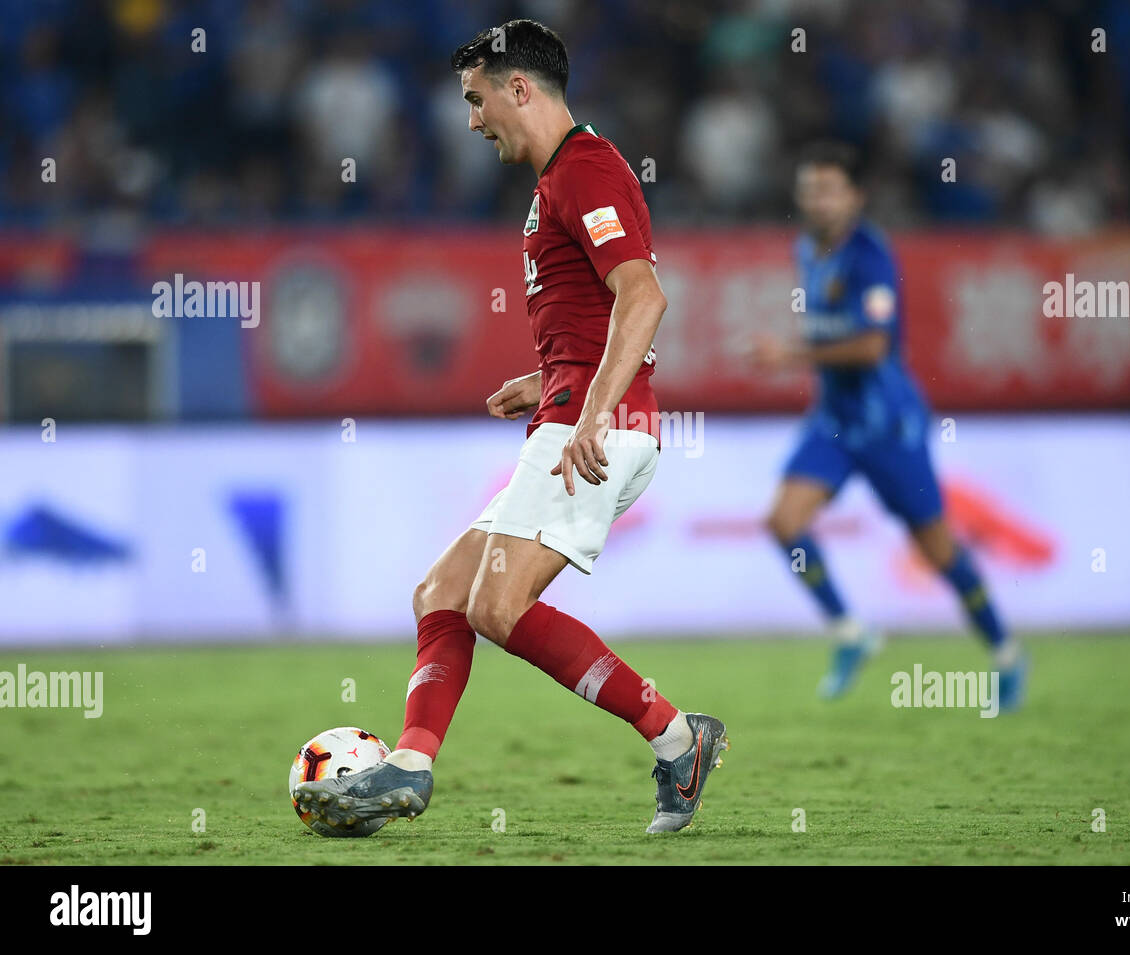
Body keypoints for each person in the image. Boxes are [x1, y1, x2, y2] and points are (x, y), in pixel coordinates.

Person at [294, 19, 726, 835]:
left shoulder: (585, 170)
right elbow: (602, 315)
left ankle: (677, 736)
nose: (470, 119)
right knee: (442, 595)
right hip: (576, 410)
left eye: (476, 98)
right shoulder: (560, 181)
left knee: (496, 606)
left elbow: (644, 296)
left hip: (598, 425)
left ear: (518, 88)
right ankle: (412, 766)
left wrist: (590, 405)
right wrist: (551, 377)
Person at [751, 141, 1025, 705]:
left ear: (856, 196)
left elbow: (874, 346)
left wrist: (791, 357)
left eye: (830, 189)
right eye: (810, 190)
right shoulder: (808, 249)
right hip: (833, 421)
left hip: (888, 426)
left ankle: (1005, 651)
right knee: (783, 522)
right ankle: (851, 633)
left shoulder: (870, 256)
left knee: (937, 547)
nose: (818, 201)